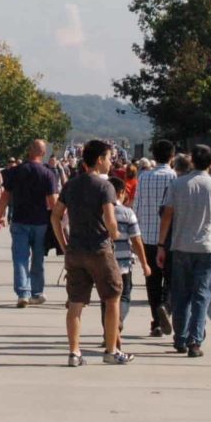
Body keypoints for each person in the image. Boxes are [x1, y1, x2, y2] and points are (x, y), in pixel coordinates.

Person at [51, 139, 132, 365]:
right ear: (99, 160)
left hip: (75, 250)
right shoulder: (105, 187)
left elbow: (55, 216)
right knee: (113, 297)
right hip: (99, 249)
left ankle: (74, 352)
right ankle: (111, 350)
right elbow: (110, 220)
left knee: (75, 302)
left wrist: (64, 245)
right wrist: (115, 233)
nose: (110, 162)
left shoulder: (71, 185)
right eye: (108, 158)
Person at [157, 144, 211, 358]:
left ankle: (180, 338)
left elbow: (167, 216)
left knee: (180, 295)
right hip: (207, 248)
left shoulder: (177, 184)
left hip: (181, 246)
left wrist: (161, 245)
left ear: (192, 160)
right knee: (202, 295)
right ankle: (194, 341)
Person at [0, 139, 58, 307]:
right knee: (38, 258)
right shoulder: (48, 174)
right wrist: (59, 220)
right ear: (43, 153)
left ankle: (23, 293)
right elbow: (53, 202)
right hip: (40, 222)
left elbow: (5, 196)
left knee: (20, 257)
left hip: (19, 220)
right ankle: (36, 292)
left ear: (29, 151)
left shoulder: (15, 171)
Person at [133, 140, 177, 337]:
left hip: (148, 236)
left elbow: (137, 205)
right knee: (171, 278)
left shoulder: (143, 177)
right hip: (170, 237)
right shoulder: (175, 177)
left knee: (152, 280)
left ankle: (156, 322)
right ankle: (166, 307)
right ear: (172, 156)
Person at [112, 178, 150, 343]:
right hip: (124, 263)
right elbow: (136, 240)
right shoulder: (127, 213)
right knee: (125, 296)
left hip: (105, 262)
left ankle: (108, 332)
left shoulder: (100, 211)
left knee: (107, 299)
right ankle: (118, 321)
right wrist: (144, 263)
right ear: (121, 192)